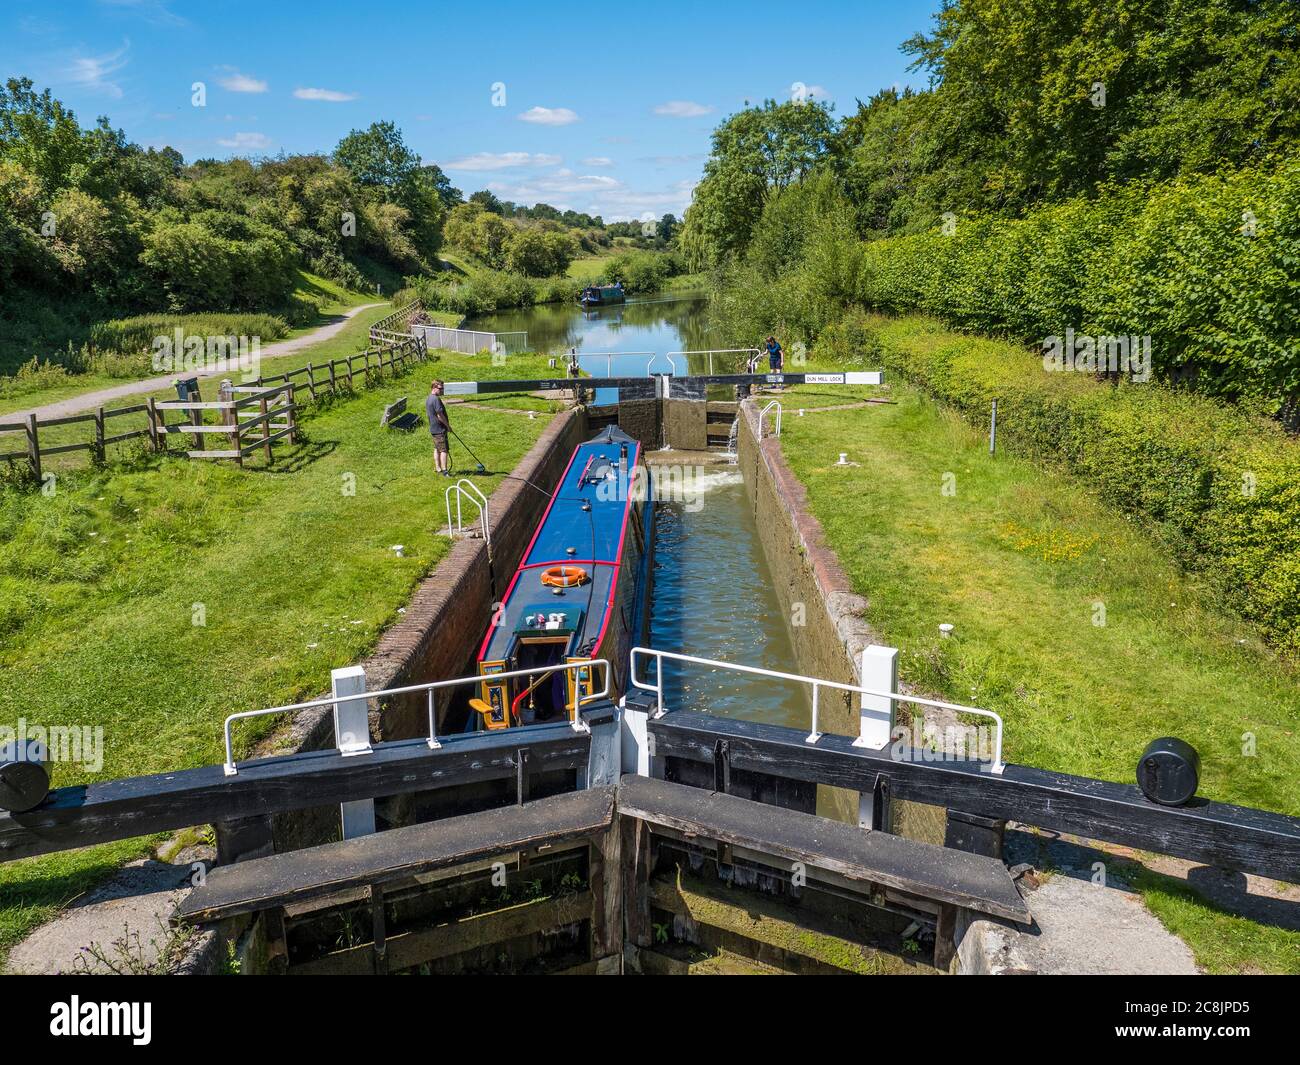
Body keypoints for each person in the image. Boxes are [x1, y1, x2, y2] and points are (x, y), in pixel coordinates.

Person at [426, 380, 451, 477]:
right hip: (439, 429)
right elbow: (440, 415)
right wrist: (448, 426)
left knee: (437, 448)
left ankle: (438, 468)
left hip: (433, 428)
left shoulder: (429, 398)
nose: (442, 390)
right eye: (440, 388)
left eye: (443, 388)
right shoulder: (436, 399)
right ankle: (445, 471)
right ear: (434, 388)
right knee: (444, 450)